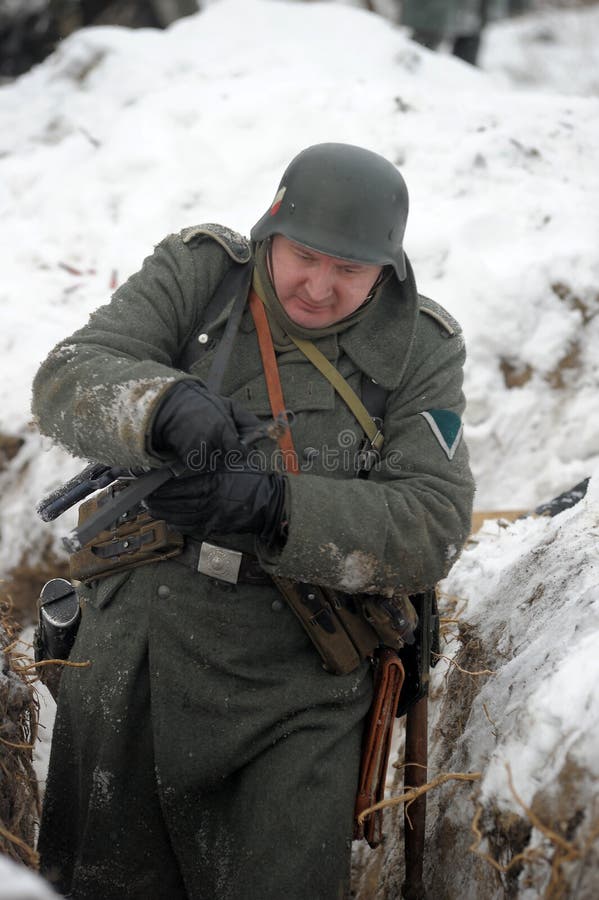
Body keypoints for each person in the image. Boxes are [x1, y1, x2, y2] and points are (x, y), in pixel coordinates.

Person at [32, 142, 474, 900]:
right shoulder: (198, 274)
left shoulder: (419, 348)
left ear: (387, 271)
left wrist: (274, 506)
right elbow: (68, 376)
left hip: (298, 669)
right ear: (269, 231)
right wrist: (159, 405)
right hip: (138, 639)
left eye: (349, 270)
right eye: (303, 256)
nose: (318, 286)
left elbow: (429, 522)